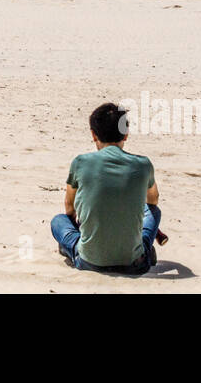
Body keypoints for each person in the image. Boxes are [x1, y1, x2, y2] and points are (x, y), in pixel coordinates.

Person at [50, 102, 161, 274]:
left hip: (88, 262)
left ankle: (74, 249)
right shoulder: (143, 164)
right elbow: (153, 201)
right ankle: (144, 249)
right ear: (125, 135)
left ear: (94, 135)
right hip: (134, 264)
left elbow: (69, 207)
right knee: (154, 212)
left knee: (58, 221)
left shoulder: (80, 162)